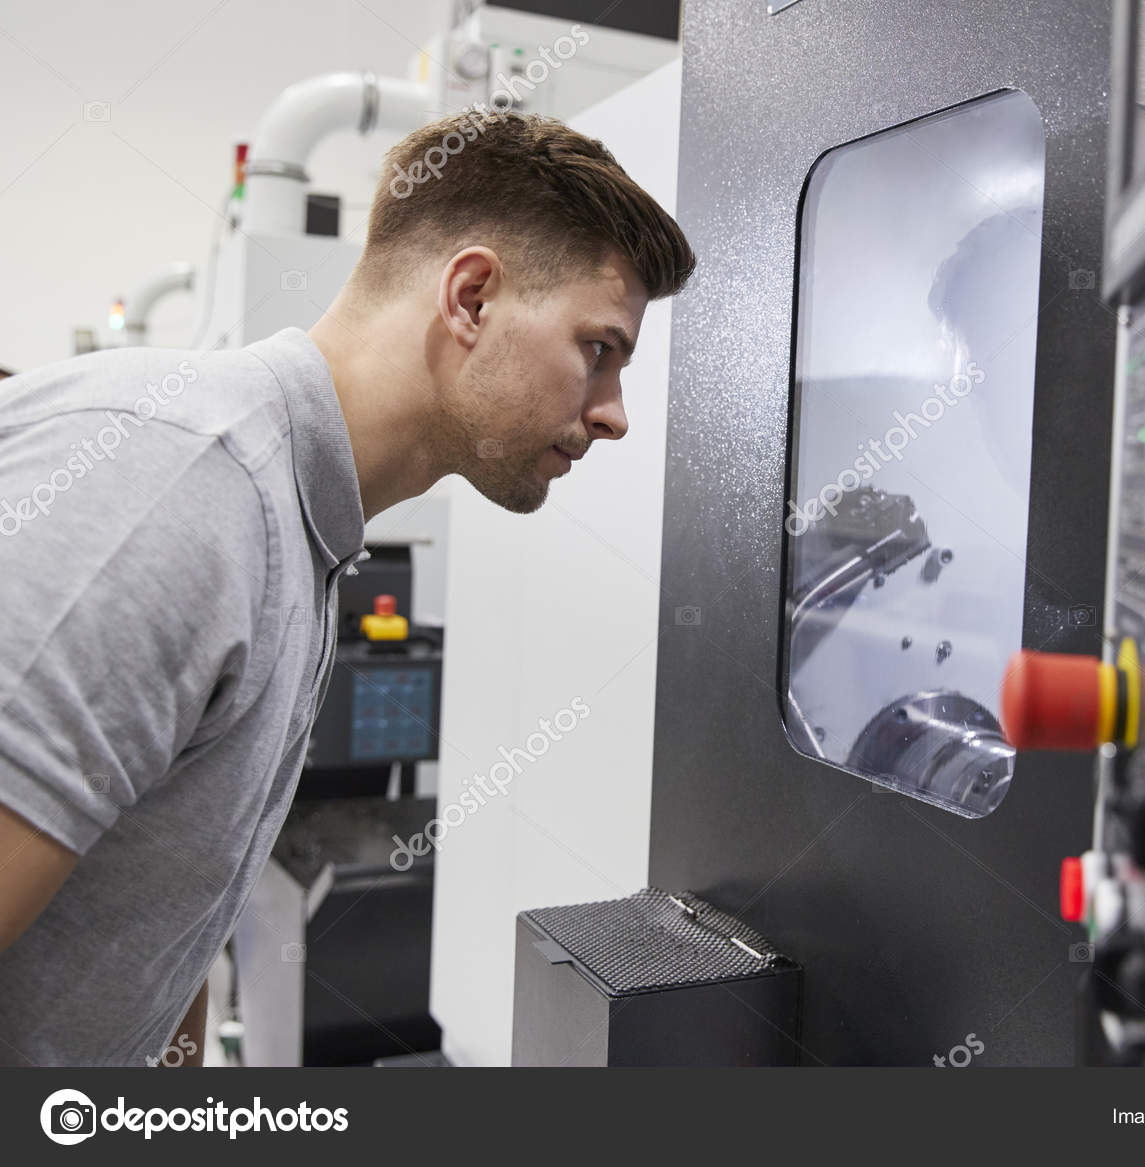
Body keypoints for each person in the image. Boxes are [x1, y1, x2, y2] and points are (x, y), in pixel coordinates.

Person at [0, 111, 695, 1066]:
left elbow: (158, 890)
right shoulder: (184, 491)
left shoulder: (299, 527)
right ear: (473, 297)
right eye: (600, 349)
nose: (613, 413)